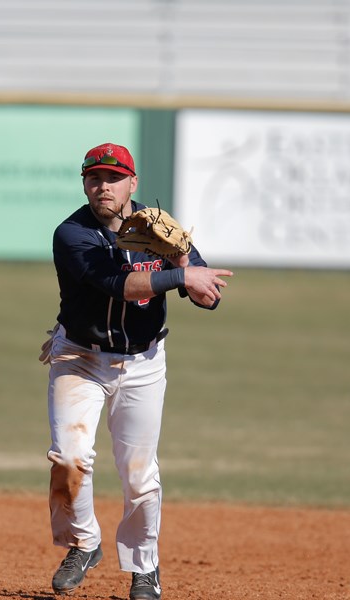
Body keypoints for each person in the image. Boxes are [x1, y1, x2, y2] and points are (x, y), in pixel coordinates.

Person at [39, 142, 233, 600]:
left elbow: (208, 295)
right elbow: (115, 284)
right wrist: (179, 277)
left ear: (132, 183)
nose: (102, 186)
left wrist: (186, 262)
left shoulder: (159, 230)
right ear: (84, 183)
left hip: (143, 362)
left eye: (112, 177)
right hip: (79, 357)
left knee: (140, 475)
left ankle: (145, 570)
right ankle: (84, 543)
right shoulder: (72, 234)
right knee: (69, 457)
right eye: (93, 178)